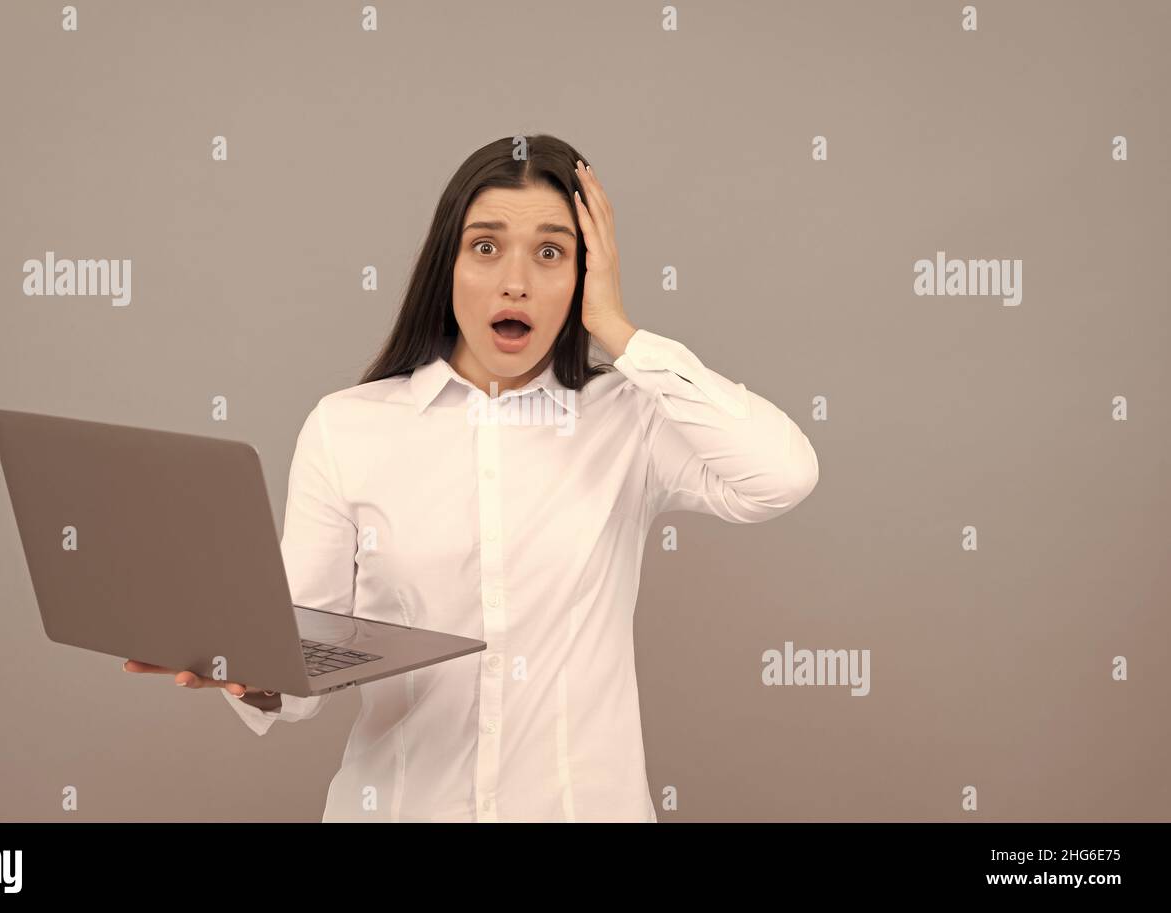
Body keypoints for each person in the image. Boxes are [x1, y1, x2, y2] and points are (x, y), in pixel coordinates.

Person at [125, 134, 820, 821]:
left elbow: (782, 473)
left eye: (552, 252)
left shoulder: (629, 419)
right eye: (485, 247)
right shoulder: (347, 427)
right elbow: (303, 654)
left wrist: (617, 327)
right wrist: (251, 675)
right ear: (447, 266)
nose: (515, 280)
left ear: (585, 274)